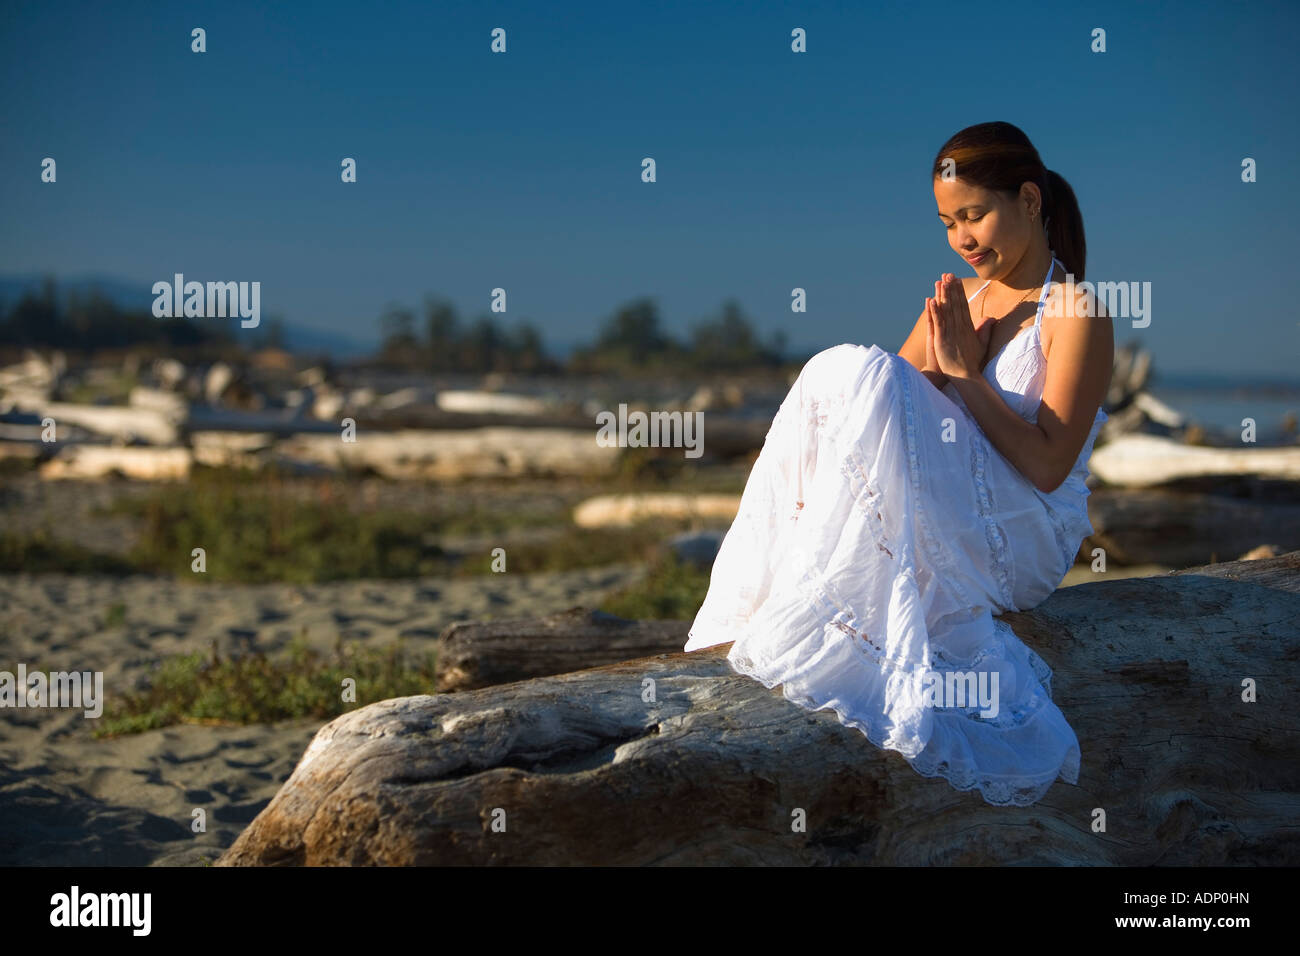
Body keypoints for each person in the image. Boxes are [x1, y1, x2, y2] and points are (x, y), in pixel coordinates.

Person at [683, 122, 1114, 807]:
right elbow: (874, 419)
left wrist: (966, 375)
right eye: (948, 223)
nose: (963, 239)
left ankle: (835, 629)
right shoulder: (960, 301)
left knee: (860, 371)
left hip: (1025, 528)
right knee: (843, 369)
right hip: (956, 505)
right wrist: (943, 372)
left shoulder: (1077, 313)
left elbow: (1048, 467)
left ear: (1030, 201)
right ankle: (777, 605)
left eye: (975, 215)